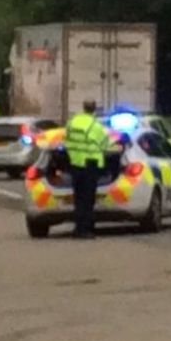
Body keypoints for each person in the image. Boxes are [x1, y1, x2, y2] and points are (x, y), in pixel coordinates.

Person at [64, 100, 110, 239]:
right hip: (90, 165)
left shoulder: (72, 122)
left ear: (83, 108)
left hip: (75, 164)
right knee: (88, 199)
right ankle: (85, 229)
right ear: (94, 109)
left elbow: (67, 140)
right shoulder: (95, 126)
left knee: (78, 198)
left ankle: (78, 228)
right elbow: (104, 144)